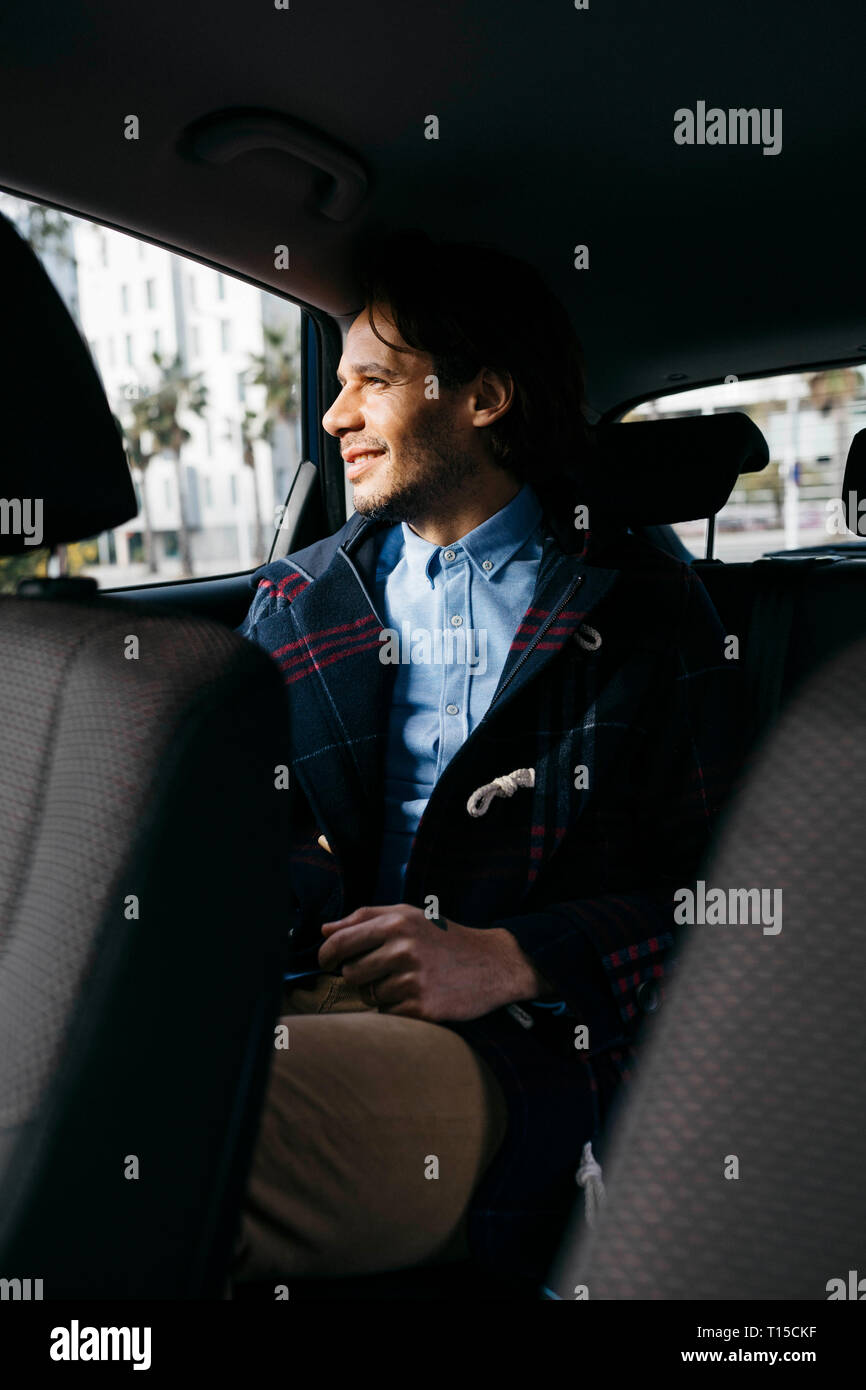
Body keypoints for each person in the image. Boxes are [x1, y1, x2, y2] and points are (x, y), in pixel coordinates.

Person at [230, 229, 740, 1290]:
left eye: (370, 382)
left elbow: (728, 904)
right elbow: (249, 845)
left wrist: (513, 953)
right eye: (335, 385)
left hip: (538, 1039)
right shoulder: (295, 601)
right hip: (313, 995)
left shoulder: (641, 604)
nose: (333, 418)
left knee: (199, 1133)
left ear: (483, 397)